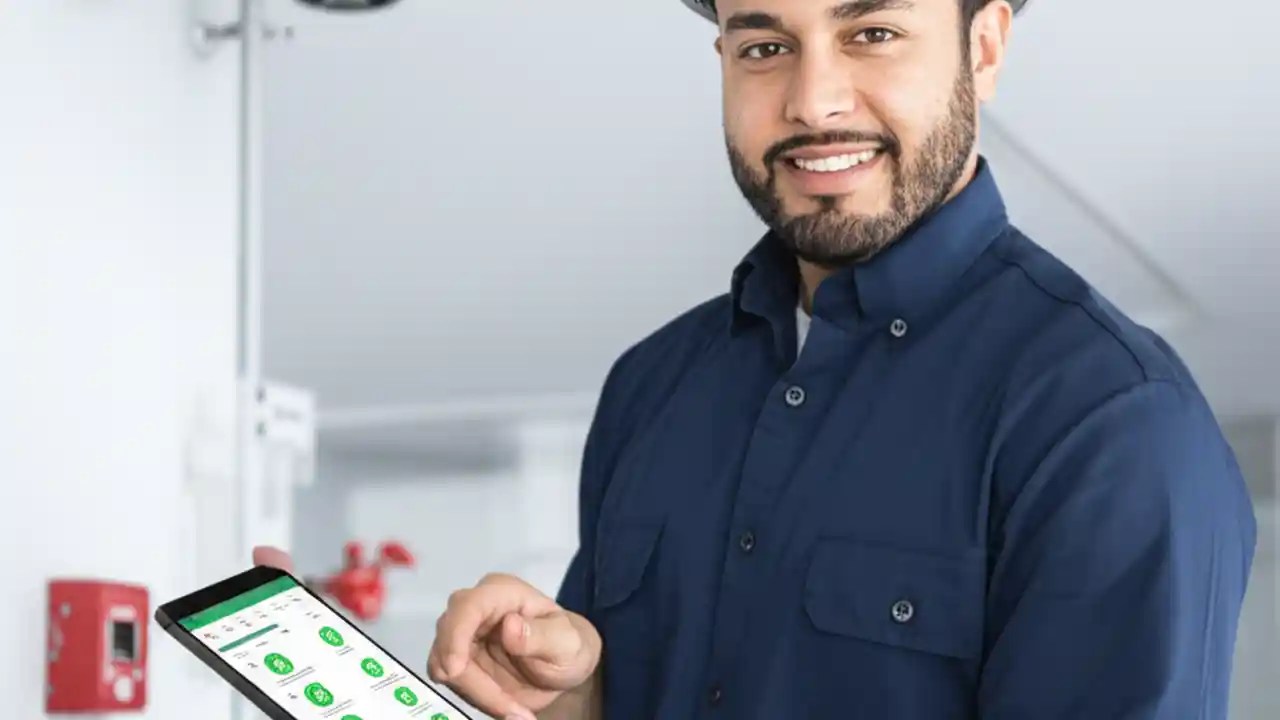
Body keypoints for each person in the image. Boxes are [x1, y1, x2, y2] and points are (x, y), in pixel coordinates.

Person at [256, 0, 1260, 717]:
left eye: (869, 32)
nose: (812, 101)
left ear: (982, 43)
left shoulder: (1108, 421)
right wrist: (574, 698)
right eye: (764, 44)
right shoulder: (654, 385)